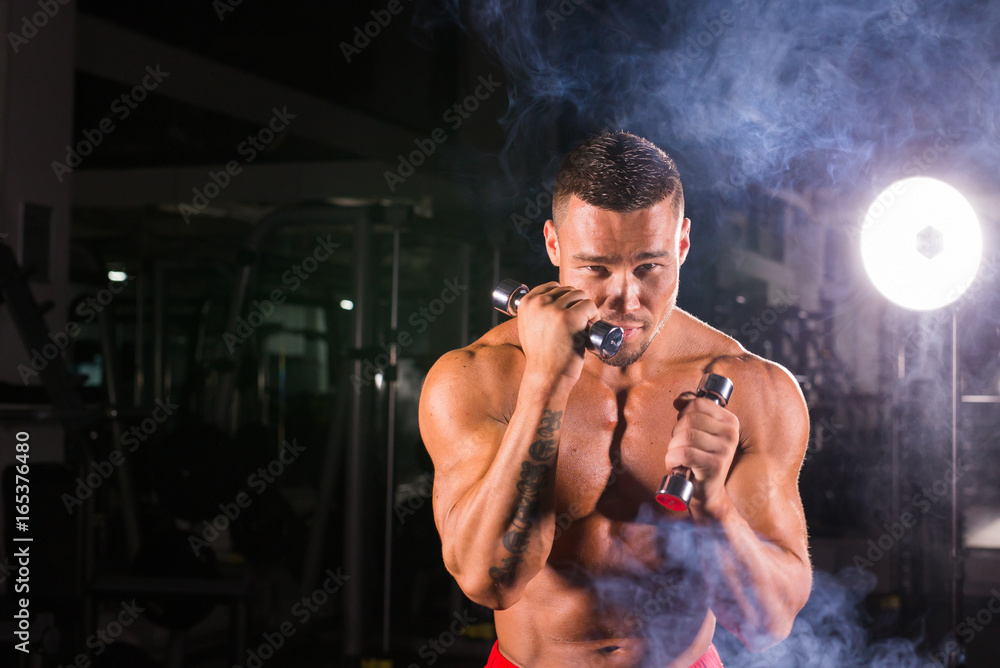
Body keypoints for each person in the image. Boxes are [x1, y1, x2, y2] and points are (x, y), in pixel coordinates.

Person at [418, 131, 812, 667]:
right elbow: (488, 581)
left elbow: (766, 624)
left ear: (682, 244)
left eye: (649, 267)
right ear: (555, 245)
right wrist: (545, 385)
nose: (624, 299)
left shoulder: (755, 389)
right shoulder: (476, 377)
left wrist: (713, 504)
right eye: (596, 268)